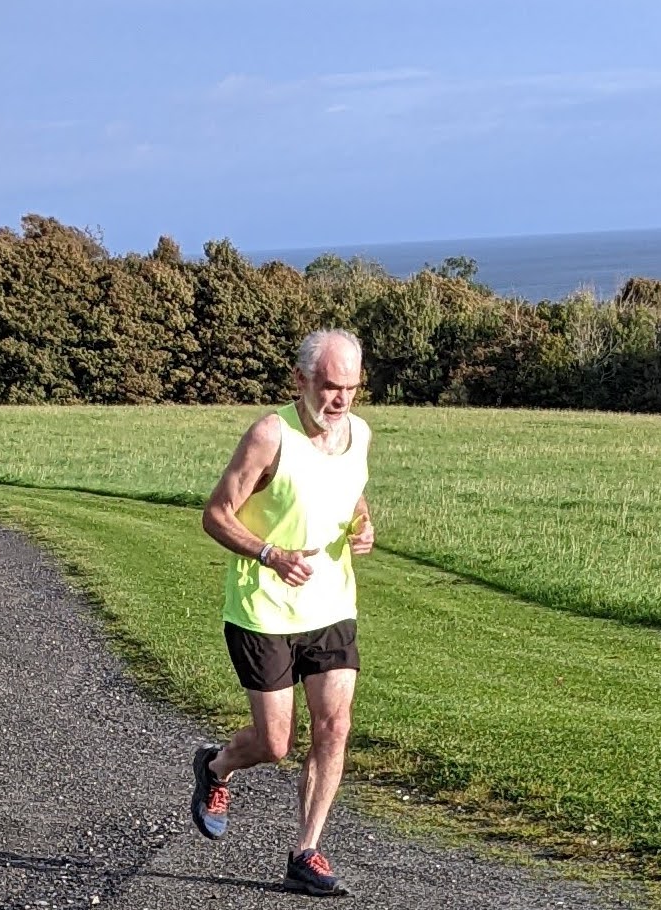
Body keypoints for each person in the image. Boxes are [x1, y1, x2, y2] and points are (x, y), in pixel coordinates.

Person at [188, 329, 375, 898]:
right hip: (264, 609)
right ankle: (216, 767)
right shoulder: (271, 435)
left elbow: (351, 493)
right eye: (329, 385)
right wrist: (269, 553)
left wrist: (363, 524)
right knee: (275, 744)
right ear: (300, 380)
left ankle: (306, 851)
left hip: (331, 603)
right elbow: (216, 514)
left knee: (334, 725)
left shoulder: (358, 433)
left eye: (351, 387)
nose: (340, 400)